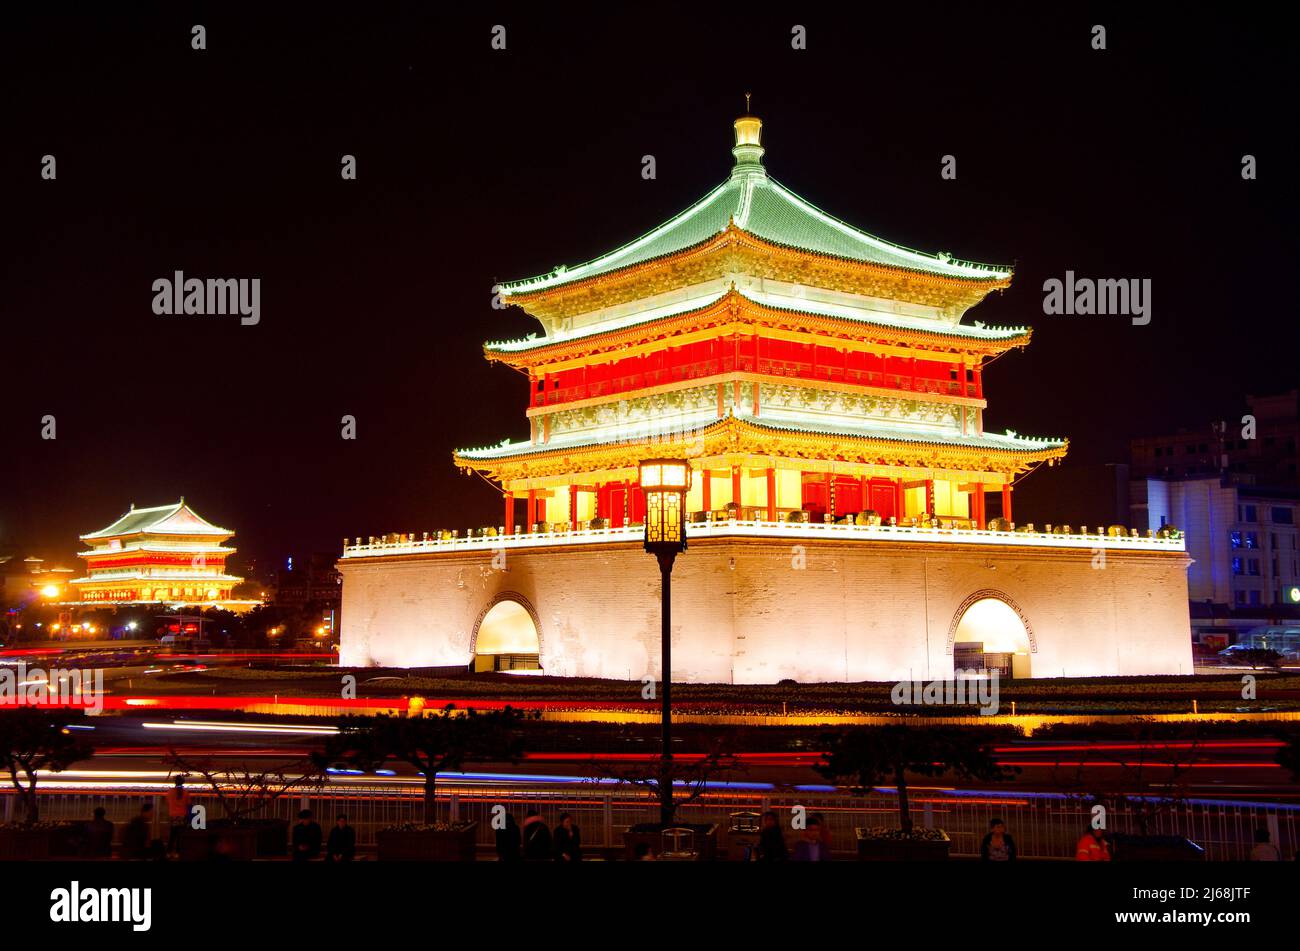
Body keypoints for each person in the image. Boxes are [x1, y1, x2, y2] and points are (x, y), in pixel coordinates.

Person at [163, 774, 193, 856]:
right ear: (183, 783)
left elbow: (168, 802)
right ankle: (178, 852)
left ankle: (168, 852)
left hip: (173, 816)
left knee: (172, 835)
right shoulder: (186, 793)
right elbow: (189, 804)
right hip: (182, 816)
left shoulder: (170, 792)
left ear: (175, 782)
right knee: (180, 836)